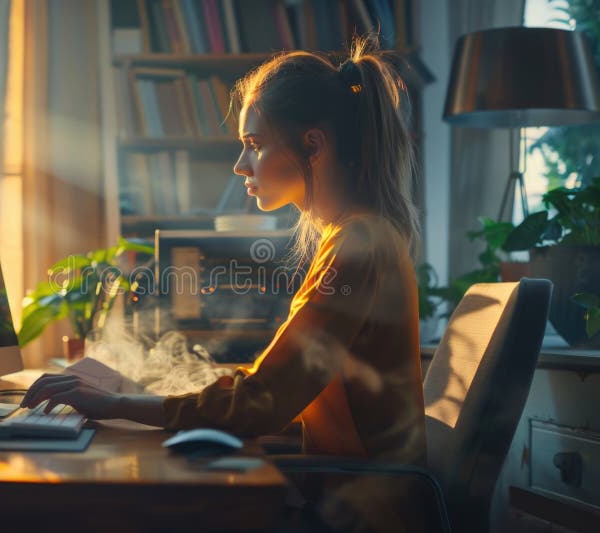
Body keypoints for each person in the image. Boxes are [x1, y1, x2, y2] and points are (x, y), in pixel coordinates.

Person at [22, 34, 426, 469]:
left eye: (255, 144)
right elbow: (279, 389)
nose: (240, 164)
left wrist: (117, 404)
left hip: (363, 497)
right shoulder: (358, 235)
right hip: (347, 481)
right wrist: (142, 395)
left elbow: (262, 401)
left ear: (312, 145)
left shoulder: (358, 246)